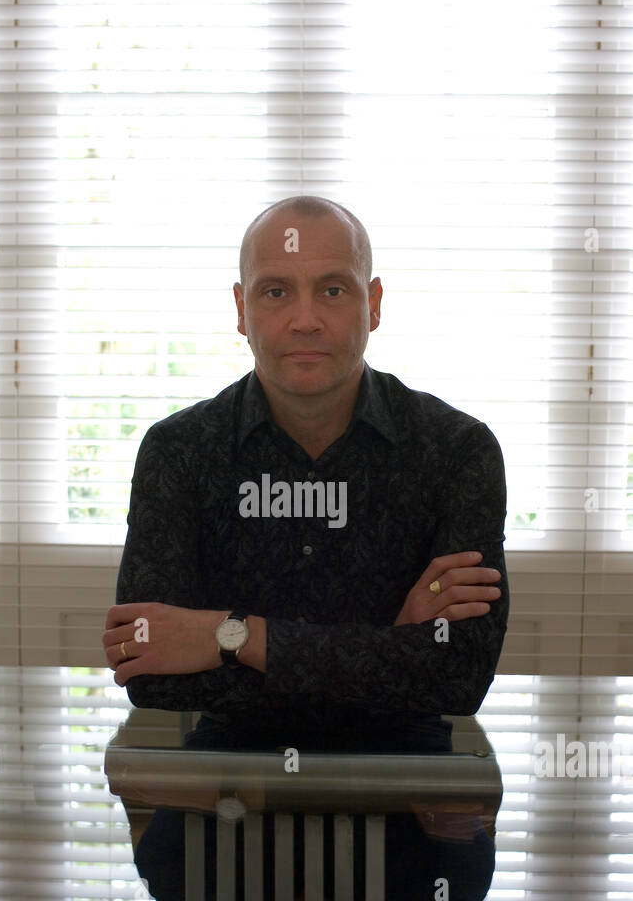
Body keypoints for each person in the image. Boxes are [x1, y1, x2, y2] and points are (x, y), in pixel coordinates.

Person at [102, 194, 509, 746]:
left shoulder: (459, 451)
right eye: (276, 291)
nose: (305, 320)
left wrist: (231, 636)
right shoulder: (178, 451)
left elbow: (456, 677)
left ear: (375, 303)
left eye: (333, 290)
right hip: (219, 789)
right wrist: (388, 644)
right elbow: (151, 676)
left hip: (407, 779)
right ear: (242, 310)